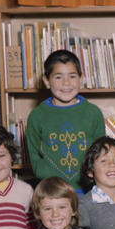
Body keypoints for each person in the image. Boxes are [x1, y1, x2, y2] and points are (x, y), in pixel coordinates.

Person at [25, 49, 105, 194]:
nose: (66, 83)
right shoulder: (37, 116)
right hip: (52, 192)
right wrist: (46, 175)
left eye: (72, 76)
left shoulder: (93, 113)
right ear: (46, 81)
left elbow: (100, 154)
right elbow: (35, 156)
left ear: (81, 79)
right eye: (58, 77)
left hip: (88, 192)